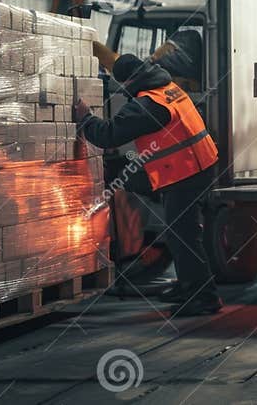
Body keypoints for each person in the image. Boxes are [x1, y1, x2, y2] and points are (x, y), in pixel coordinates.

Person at [75, 53, 222, 316]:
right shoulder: (168, 88)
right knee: (181, 233)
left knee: (183, 236)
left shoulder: (148, 105)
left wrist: (86, 119)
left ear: (129, 81)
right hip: (198, 165)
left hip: (185, 172)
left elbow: (108, 135)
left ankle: (204, 297)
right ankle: (189, 286)